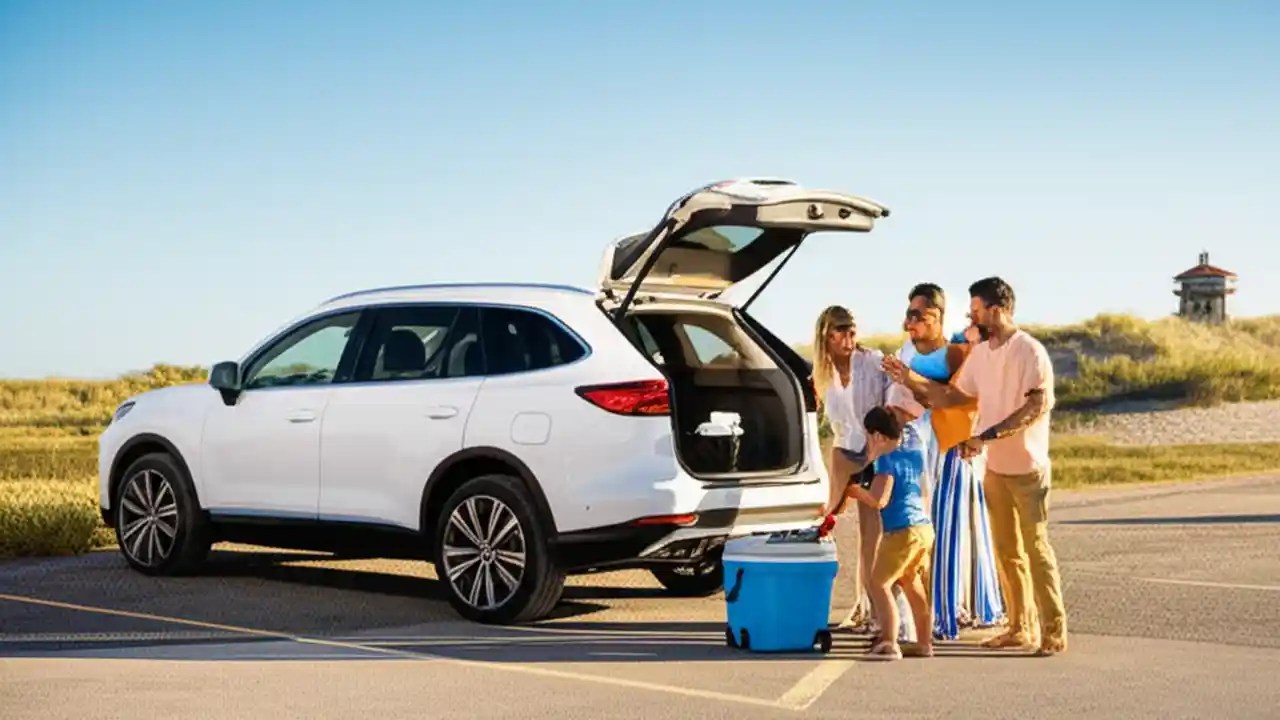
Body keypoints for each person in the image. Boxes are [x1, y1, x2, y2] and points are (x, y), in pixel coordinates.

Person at [883, 276, 1067, 656]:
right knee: (1007, 552)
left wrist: (985, 436)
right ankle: (1020, 627)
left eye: (976, 309)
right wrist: (910, 378)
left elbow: (1035, 407)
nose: (971, 315)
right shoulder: (981, 354)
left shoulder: (1030, 352)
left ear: (996, 309)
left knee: (1036, 549)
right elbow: (951, 395)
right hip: (995, 470)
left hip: (1029, 470)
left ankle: (1053, 631)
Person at [899, 283, 1005, 640]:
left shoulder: (963, 355)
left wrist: (909, 378)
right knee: (961, 529)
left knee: (950, 530)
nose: (910, 322)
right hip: (946, 447)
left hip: (955, 449)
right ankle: (970, 604)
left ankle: (948, 611)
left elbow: (949, 397)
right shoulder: (962, 354)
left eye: (919, 314)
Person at [835, 392, 935, 660]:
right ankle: (924, 643)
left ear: (878, 436)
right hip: (923, 527)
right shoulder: (913, 450)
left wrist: (854, 491)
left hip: (902, 529)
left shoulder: (885, 461)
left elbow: (880, 500)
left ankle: (890, 641)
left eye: (869, 436)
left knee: (879, 583)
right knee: (912, 583)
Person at [811, 305, 892, 631]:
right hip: (844, 453)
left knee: (873, 534)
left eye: (852, 331)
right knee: (831, 522)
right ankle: (855, 606)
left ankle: (875, 610)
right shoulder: (821, 373)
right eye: (840, 331)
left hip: (873, 452)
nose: (848, 338)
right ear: (826, 336)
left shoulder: (873, 362)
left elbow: (892, 404)